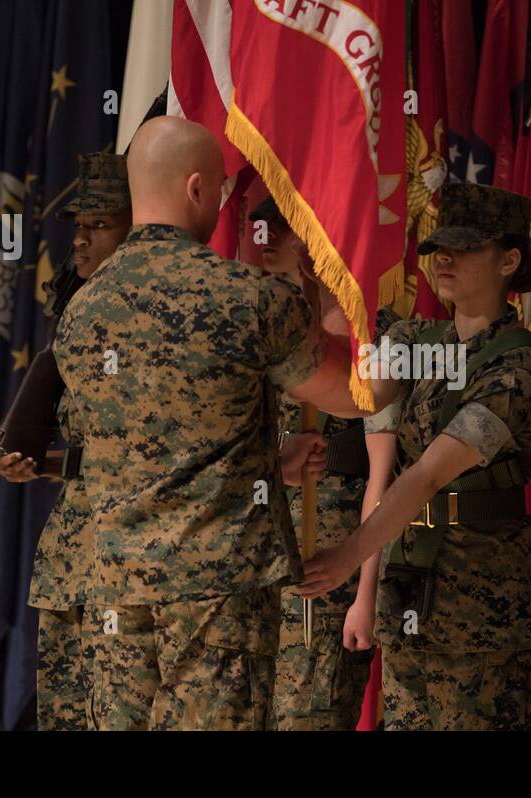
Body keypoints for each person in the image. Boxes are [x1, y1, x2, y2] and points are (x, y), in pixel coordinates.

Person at [54, 117, 363, 730]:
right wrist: (352, 306)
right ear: (197, 189)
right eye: (222, 191)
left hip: (115, 587)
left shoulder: (80, 312)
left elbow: (137, 451)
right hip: (219, 596)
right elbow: (351, 396)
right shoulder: (246, 297)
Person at [299, 183, 531, 730]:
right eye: (440, 247)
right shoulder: (417, 338)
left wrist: (349, 554)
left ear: (509, 259)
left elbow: (427, 475)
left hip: (485, 607)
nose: (444, 259)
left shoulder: (516, 367)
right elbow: (353, 395)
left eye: (464, 248)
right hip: (413, 590)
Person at [0, 151, 131, 730]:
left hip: (131, 565)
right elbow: (88, 448)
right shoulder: (75, 313)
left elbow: (145, 448)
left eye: (100, 225)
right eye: (78, 226)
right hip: (74, 555)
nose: (83, 240)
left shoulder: (155, 316)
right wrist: (34, 460)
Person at [250, 197, 375, 730]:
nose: (268, 240)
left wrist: (366, 587)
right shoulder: (257, 325)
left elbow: (390, 469)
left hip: (327, 562)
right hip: (262, 564)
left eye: (286, 228)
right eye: (263, 228)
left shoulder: (364, 328)